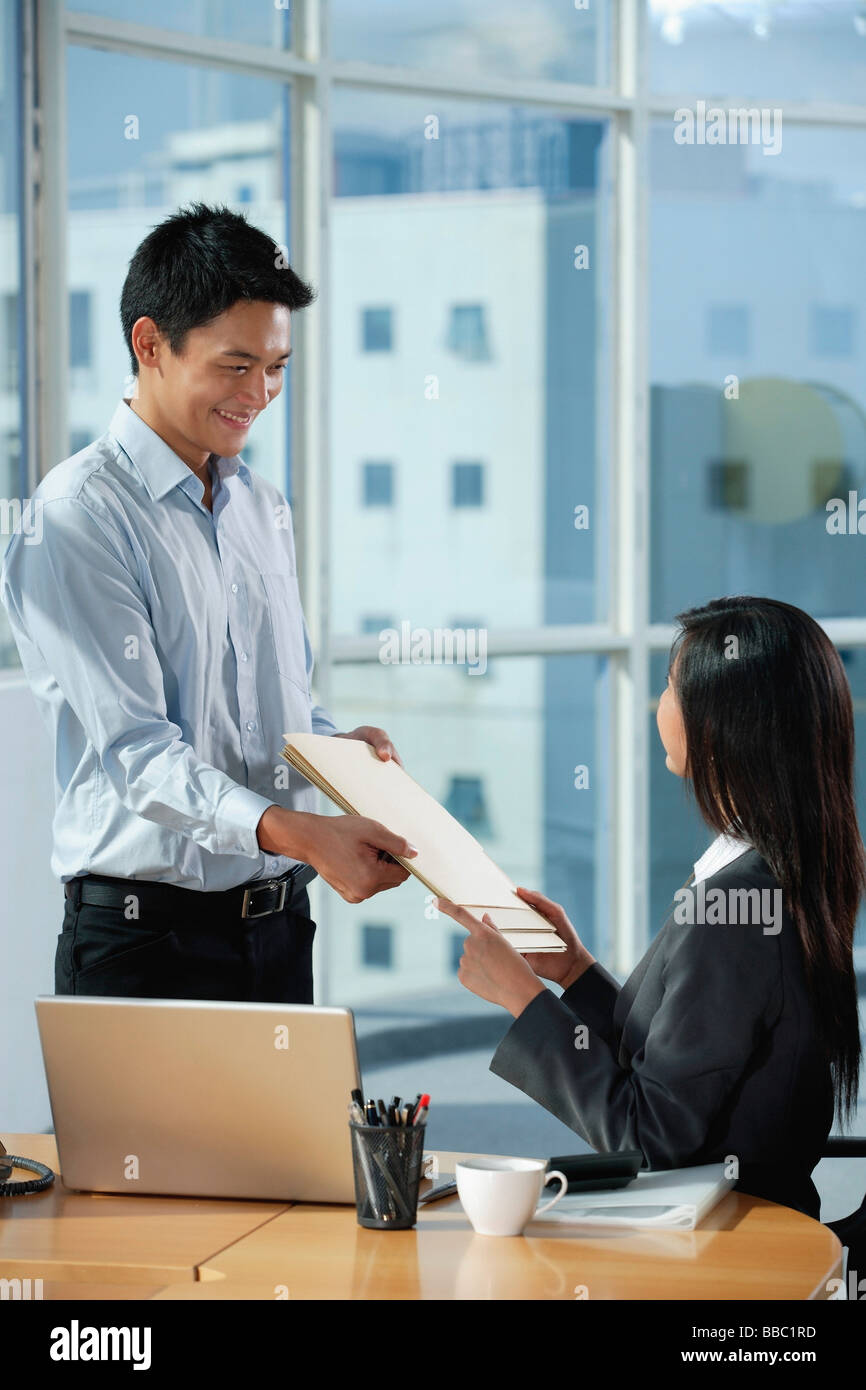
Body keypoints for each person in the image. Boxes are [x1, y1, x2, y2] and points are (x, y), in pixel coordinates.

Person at [1, 202, 416, 1005]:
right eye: (236, 366)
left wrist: (334, 755)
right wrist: (305, 834)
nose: (260, 394)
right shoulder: (77, 517)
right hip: (145, 940)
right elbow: (139, 753)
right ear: (150, 343)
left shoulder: (260, 506)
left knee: (294, 1141)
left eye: (278, 367)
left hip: (277, 925)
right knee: (149, 1144)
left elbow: (269, 706)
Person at [436, 596, 865, 1219]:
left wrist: (521, 999)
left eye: (670, 685)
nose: (661, 704)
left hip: (719, 1247)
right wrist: (573, 972)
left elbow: (651, 1136)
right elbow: (688, 1058)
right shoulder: (773, 867)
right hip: (752, 1224)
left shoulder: (734, 905)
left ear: (725, 722)